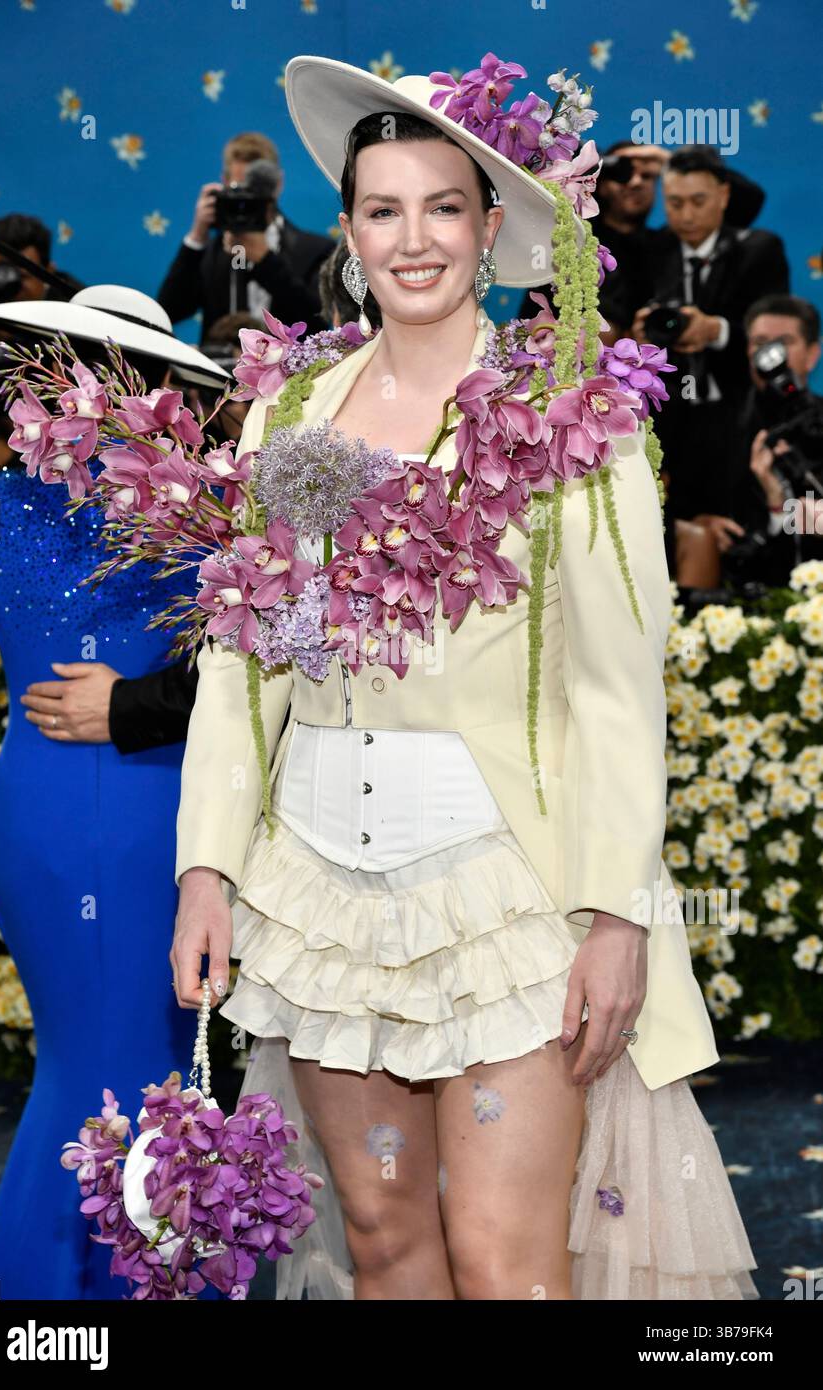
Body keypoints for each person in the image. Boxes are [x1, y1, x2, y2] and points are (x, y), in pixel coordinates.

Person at [171, 54, 759, 1301]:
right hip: (319, 897)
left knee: (506, 1264)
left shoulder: (568, 416)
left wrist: (611, 911)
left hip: (506, 896)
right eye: (382, 209)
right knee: (385, 1248)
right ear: (348, 232)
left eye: (444, 207)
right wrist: (207, 868)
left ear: (494, 226)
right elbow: (240, 662)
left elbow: (613, 685)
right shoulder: (287, 415)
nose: (413, 238)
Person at [0, 286, 230, 1298]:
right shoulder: (207, 512)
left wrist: (4, 805)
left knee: (98, 1072)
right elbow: (252, 683)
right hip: (161, 821)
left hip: (54, 824)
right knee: (126, 1075)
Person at [631, 146, 789, 525]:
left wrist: (715, 330)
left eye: (698, 201)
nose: (686, 215)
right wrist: (637, 340)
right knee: (669, 532)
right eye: (674, 203)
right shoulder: (650, 251)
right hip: (667, 423)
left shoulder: (757, 250)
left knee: (736, 531)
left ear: (724, 196)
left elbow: (774, 338)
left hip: (735, 419)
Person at [157, 131, 335, 343]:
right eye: (239, 189)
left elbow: (318, 323)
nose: (248, 198)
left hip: (293, 373)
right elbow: (169, 311)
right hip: (221, 372)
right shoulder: (211, 252)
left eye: (256, 190)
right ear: (224, 183)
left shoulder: (315, 250)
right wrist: (197, 236)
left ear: (278, 184)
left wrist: (265, 261)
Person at [696, 294, 823, 589]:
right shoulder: (718, 424)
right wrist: (706, 523)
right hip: (740, 586)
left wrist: (782, 506)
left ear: (812, 354)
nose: (772, 353)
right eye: (761, 342)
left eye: (785, 341)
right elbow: (687, 506)